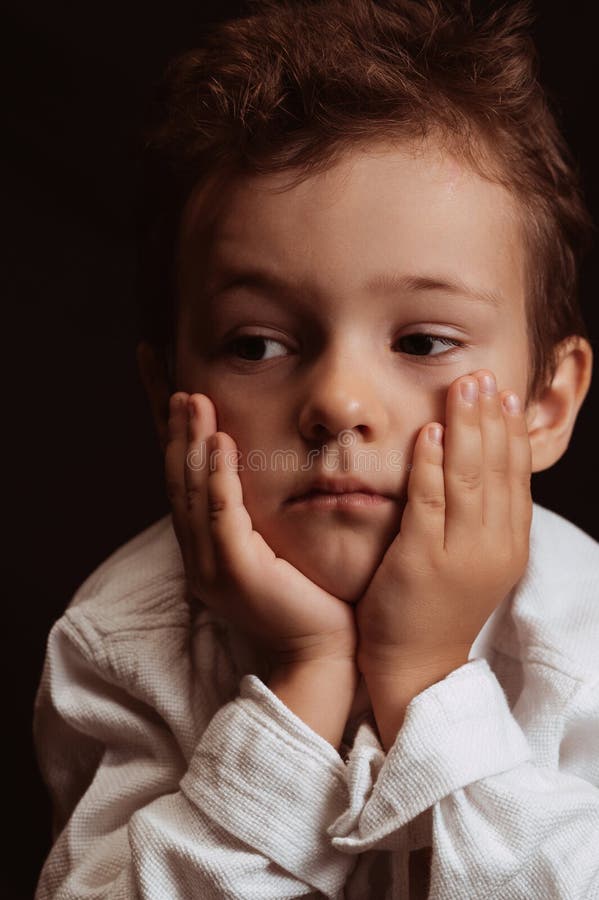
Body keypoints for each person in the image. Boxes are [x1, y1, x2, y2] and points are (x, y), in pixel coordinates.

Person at [33, 0, 599, 897]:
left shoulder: (583, 631)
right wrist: (306, 675)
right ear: (165, 399)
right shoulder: (120, 642)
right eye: (256, 346)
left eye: (419, 342)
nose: (336, 402)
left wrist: (427, 681)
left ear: (545, 404)